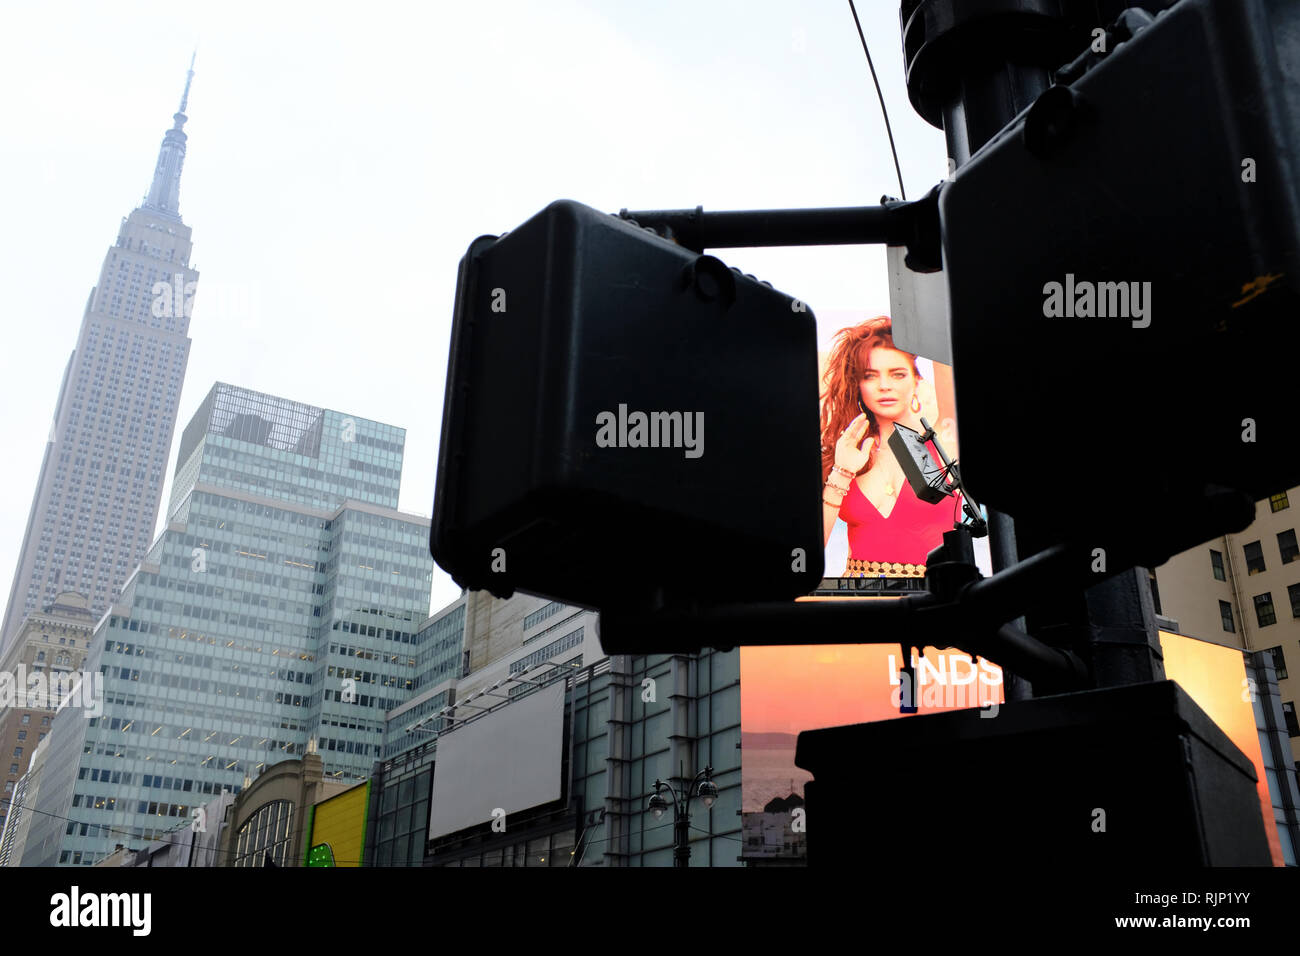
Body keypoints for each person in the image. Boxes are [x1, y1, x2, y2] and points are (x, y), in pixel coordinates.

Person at [819, 317, 958, 576]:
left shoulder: (944, 443)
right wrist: (841, 472)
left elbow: (947, 345)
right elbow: (811, 550)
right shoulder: (846, 453)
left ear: (916, 380)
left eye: (898, 374)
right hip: (861, 608)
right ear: (858, 385)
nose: (885, 385)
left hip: (933, 605)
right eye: (870, 376)